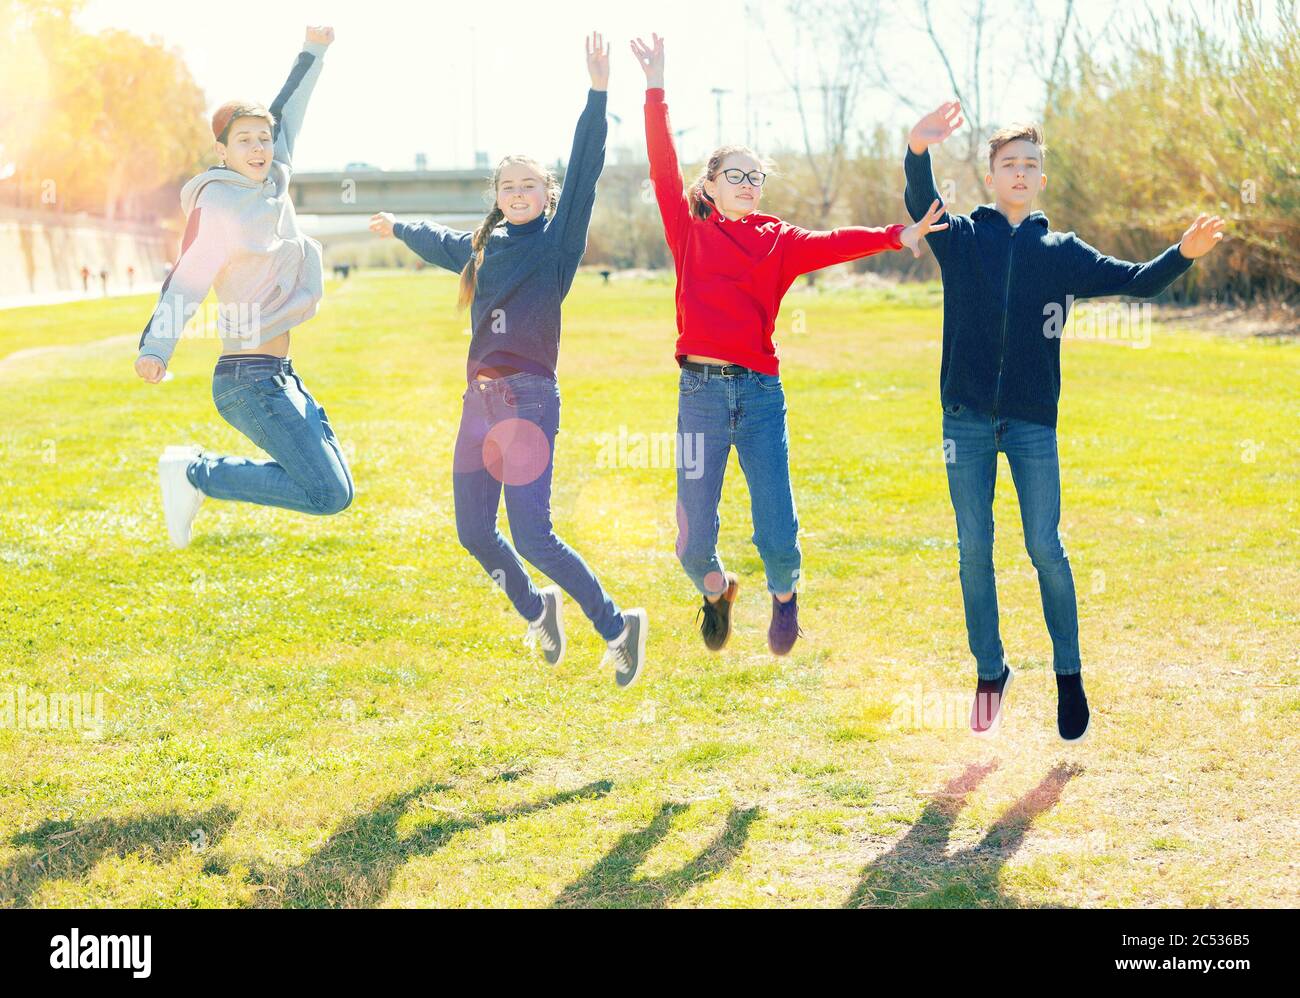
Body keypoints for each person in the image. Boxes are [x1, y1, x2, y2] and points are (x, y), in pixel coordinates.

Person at [904, 100, 1225, 742]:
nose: (1019, 174)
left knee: (1045, 547)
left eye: (1029, 165)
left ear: (1041, 178)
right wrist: (917, 150)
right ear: (991, 175)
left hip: (1030, 422)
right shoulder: (962, 239)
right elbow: (921, 205)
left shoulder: (1062, 251)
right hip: (965, 417)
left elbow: (1137, 281)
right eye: (1008, 165)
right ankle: (990, 669)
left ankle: (1068, 674)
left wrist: (1181, 253)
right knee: (974, 549)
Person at [631, 33, 945, 657]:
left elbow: (834, 242)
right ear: (711, 185)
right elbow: (661, 163)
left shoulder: (779, 239)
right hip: (699, 392)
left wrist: (898, 234)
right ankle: (716, 590)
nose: (749, 184)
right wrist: (656, 85)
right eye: (736, 176)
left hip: (758, 393)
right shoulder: (687, 230)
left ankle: (784, 596)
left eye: (756, 177)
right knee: (691, 544)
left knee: (777, 531)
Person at [370, 32, 647, 689]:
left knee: (533, 536)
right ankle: (536, 608)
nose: (519, 192)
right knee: (473, 531)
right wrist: (398, 226)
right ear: (497, 194)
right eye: (509, 185)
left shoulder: (557, 245)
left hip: (528, 399)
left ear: (547, 194)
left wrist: (597, 94)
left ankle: (615, 626)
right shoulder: (484, 246)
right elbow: (441, 241)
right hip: (480, 404)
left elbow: (586, 168)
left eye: (530, 184)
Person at [135, 26, 353, 548]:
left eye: (263, 138)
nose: (258, 148)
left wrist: (314, 51)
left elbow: (289, 108)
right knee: (325, 493)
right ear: (223, 150)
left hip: (279, 373)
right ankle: (197, 473)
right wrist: (156, 348)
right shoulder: (219, 207)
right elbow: (185, 282)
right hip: (247, 380)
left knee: (337, 490)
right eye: (245, 140)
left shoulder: (275, 177)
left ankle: (199, 472)